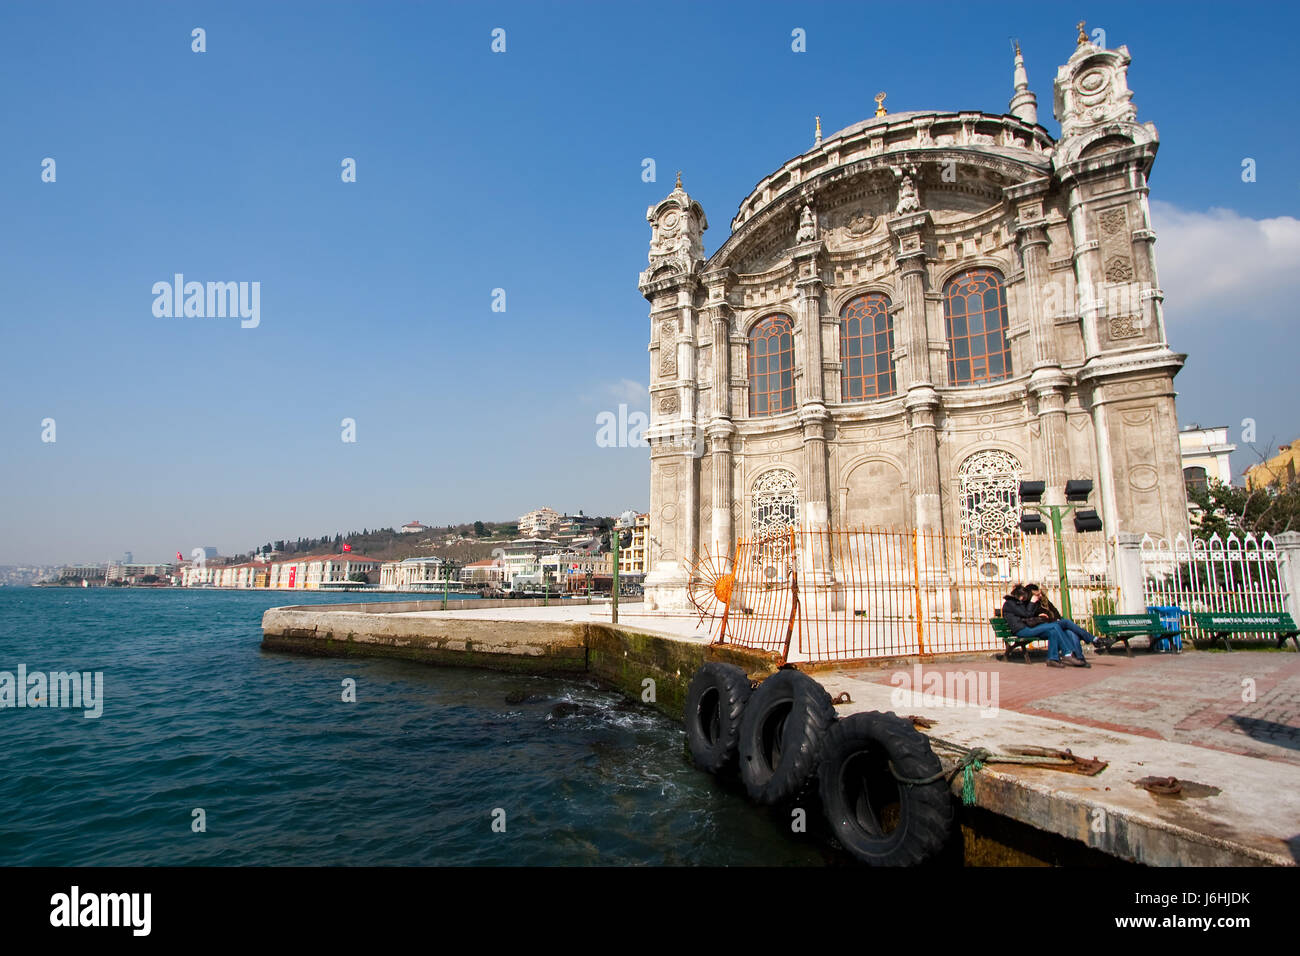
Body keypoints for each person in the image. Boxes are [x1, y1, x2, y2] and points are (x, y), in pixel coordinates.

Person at [1000, 585, 1085, 667]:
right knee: (1055, 626)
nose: (1024, 599)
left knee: (1053, 632)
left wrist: (1038, 612)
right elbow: (1027, 614)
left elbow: (1029, 614)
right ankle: (1067, 653)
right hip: (1021, 630)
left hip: (1027, 628)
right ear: (1020, 596)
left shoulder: (1017, 603)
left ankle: (1052, 659)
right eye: (1024, 597)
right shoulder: (1009, 604)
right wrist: (1032, 602)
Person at [1026, 584, 1109, 655]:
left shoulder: (1044, 600)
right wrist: (1034, 605)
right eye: (1037, 595)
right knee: (1067, 622)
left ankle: (1079, 657)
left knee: (1071, 633)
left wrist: (1056, 619)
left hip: (1055, 623)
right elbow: (1032, 618)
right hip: (1046, 627)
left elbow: (1055, 612)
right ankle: (1094, 639)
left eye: (1040, 594)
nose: (1040, 596)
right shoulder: (1030, 605)